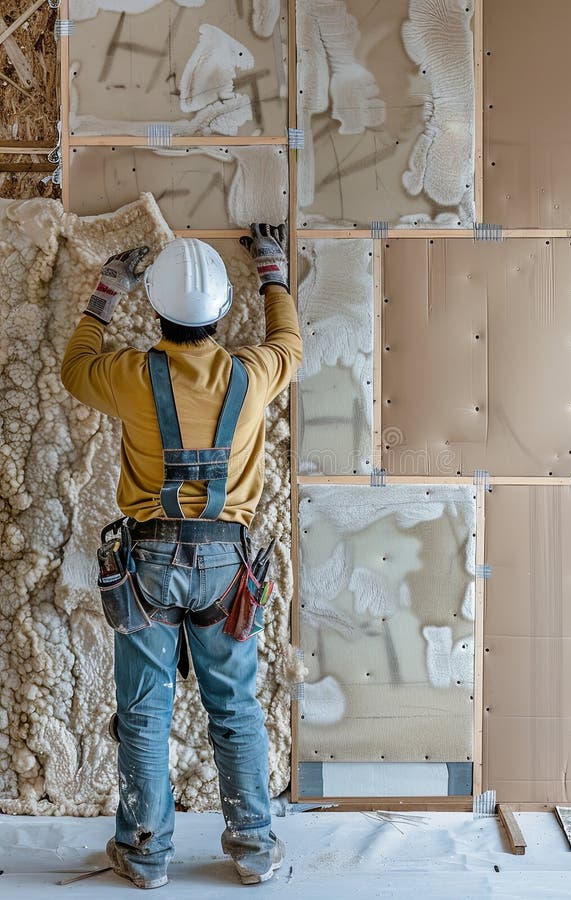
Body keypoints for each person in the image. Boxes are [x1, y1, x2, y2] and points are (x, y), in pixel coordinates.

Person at [60, 224, 302, 889]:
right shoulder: (254, 375)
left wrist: (106, 294)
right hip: (230, 568)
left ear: (157, 310)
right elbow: (290, 344)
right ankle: (253, 850)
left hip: (148, 565)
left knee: (145, 712)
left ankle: (144, 856)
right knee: (235, 709)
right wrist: (273, 273)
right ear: (222, 312)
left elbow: (73, 369)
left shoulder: (132, 374)